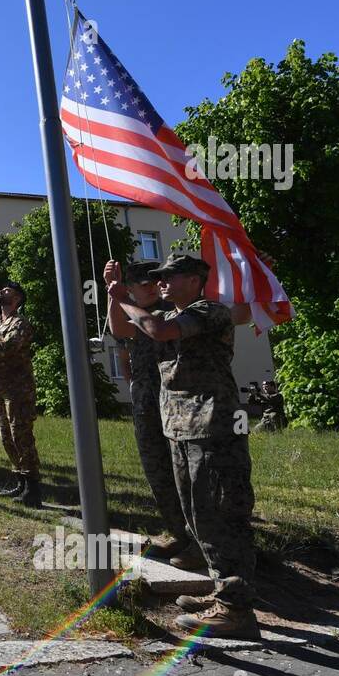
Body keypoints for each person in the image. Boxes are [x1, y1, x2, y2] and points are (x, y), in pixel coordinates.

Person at [111, 253, 260, 638]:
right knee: (198, 517)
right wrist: (118, 299)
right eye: (158, 278)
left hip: (212, 429)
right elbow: (137, 331)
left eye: (169, 276)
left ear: (195, 280)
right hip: (182, 429)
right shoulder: (169, 317)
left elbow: (157, 332)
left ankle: (236, 610)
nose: (162, 283)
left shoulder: (209, 310)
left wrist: (122, 297)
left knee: (221, 516)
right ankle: (222, 594)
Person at [104, 260, 191, 560]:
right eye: (145, 283)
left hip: (176, 401)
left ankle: (198, 539)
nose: (154, 286)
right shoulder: (132, 308)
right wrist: (111, 293)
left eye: (157, 281)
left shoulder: (171, 311)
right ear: (132, 288)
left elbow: (156, 329)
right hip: (146, 401)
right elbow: (118, 328)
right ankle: (177, 532)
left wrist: (122, 297)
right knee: (157, 469)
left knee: (184, 470)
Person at [0, 282, 42, 506]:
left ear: (17, 299)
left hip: (18, 389)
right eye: (1, 289)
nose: (0, 291)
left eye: (6, 291)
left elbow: (7, 349)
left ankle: (33, 488)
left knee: (21, 435)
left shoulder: (21, 323)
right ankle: (20, 481)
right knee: (6, 437)